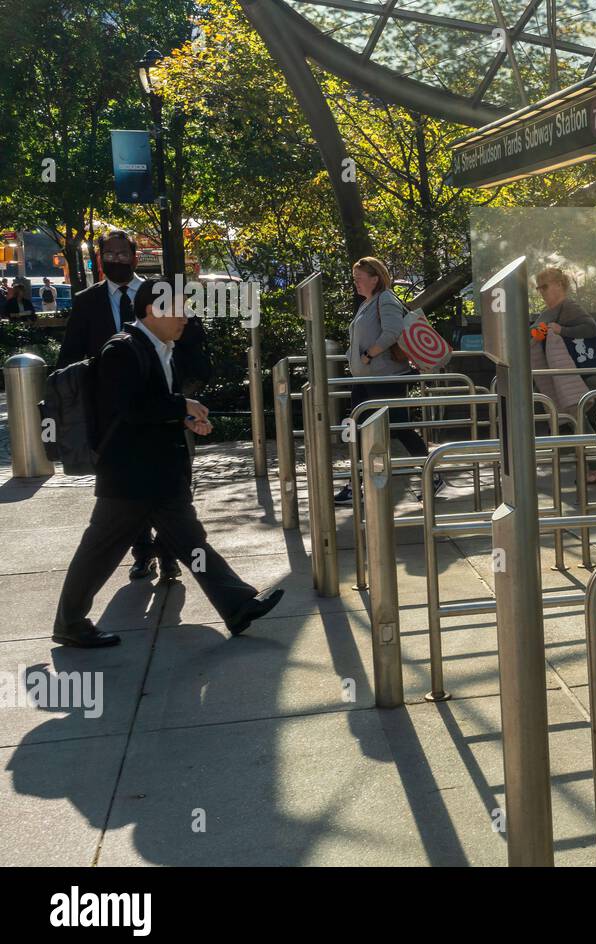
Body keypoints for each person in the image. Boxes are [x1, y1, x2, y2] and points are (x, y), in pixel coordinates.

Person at [51, 287, 283, 648]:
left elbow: (157, 409)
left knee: (192, 544)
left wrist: (186, 419)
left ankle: (237, 605)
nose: (185, 317)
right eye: (178, 310)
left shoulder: (162, 350)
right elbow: (130, 409)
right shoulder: (121, 350)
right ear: (151, 310)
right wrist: (181, 407)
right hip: (130, 477)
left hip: (159, 474)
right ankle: (69, 622)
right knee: (99, 551)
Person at [56, 230, 180, 582]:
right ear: (100, 259)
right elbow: (69, 360)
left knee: (167, 485)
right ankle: (142, 554)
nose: (116, 259)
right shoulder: (86, 302)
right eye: (108, 253)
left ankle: (170, 554)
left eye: (123, 253)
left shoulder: (159, 293)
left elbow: (184, 341)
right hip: (114, 418)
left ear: (135, 257)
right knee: (126, 489)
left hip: (160, 409)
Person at [336, 257, 435, 505]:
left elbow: (393, 332)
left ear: (375, 278)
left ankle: (432, 476)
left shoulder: (386, 299)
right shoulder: (367, 303)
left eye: (359, 278)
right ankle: (355, 483)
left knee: (400, 428)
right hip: (367, 378)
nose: (356, 283)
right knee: (359, 429)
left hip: (385, 377)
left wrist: (369, 355)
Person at [532, 267, 596, 484]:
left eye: (544, 286)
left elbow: (591, 328)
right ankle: (587, 465)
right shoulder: (551, 311)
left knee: (577, 418)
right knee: (571, 419)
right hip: (563, 374)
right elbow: (536, 335)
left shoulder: (568, 307)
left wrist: (561, 330)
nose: (541, 291)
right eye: (539, 288)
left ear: (559, 284)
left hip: (575, 374)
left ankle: (595, 467)